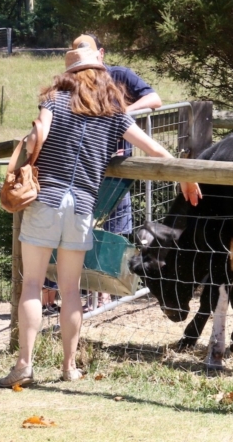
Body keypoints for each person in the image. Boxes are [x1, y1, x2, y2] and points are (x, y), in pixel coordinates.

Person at [0, 42, 201, 387]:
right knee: (72, 289)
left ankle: (24, 366)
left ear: (69, 74)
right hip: (82, 205)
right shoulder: (113, 111)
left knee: (32, 284)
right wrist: (186, 175)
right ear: (100, 73)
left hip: (47, 198)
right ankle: (69, 367)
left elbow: (36, 138)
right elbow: (153, 149)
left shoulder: (54, 101)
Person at [72, 34, 161, 311]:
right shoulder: (74, 82)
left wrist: (123, 113)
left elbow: (155, 99)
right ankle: (91, 293)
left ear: (101, 53)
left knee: (117, 229)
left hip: (118, 168)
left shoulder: (120, 75)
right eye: (77, 53)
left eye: (88, 53)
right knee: (85, 229)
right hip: (86, 169)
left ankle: (112, 290)